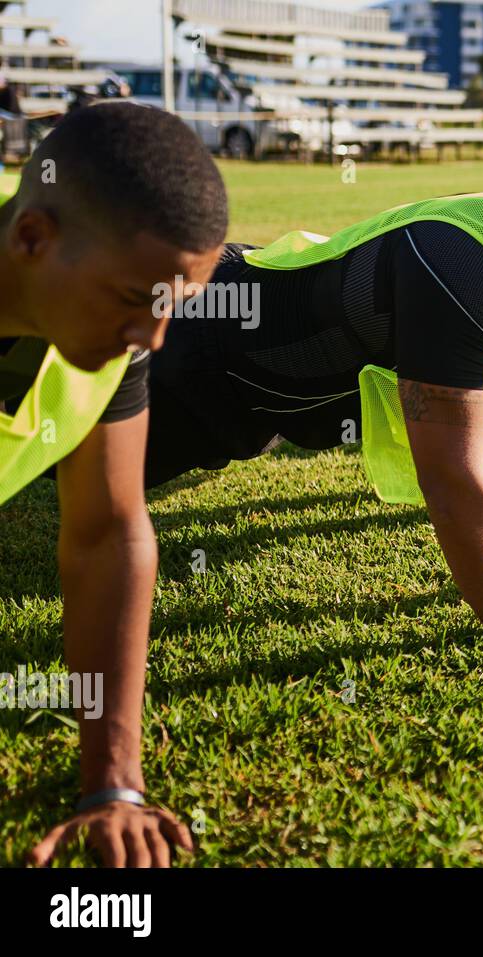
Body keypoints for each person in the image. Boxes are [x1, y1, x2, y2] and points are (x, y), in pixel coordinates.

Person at [143, 108, 483, 643]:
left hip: (256, 407)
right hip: (191, 343)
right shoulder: (462, 262)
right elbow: (451, 475)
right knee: (70, 469)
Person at [0, 102, 228, 866]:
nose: (154, 340)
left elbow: (108, 533)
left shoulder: (118, 328)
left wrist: (113, 782)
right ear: (32, 238)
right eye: (138, 301)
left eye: (174, 307)